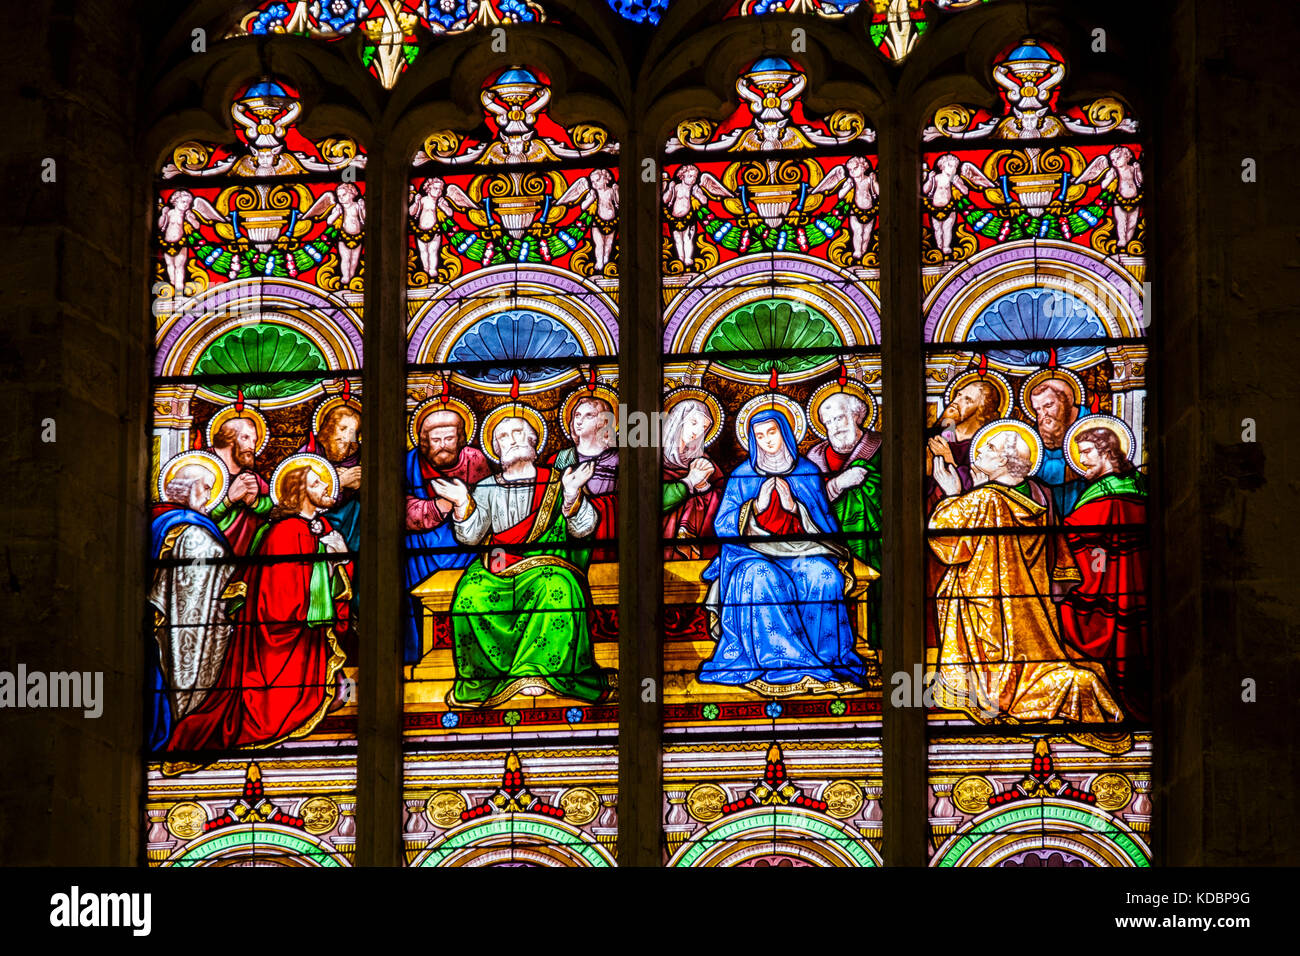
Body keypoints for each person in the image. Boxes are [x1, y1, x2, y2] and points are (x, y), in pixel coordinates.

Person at [164, 455, 351, 768]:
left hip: (302, 638)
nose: (326, 487)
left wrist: (330, 557)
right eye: (316, 482)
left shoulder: (310, 530)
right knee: (265, 709)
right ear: (298, 492)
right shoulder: (287, 532)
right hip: (279, 644)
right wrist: (329, 558)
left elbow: (316, 584)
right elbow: (281, 603)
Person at [929, 423, 1123, 723]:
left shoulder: (987, 499)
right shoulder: (1039, 497)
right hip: (1032, 611)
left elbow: (944, 537)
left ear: (1005, 461)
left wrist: (954, 494)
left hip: (988, 610)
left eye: (990, 447)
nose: (978, 449)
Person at [432, 413, 612, 708]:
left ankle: (538, 672)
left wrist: (571, 496)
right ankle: (486, 678)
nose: (512, 439)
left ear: (533, 441)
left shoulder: (557, 482)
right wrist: (463, 503)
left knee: (558, 587)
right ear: (495, 450)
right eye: (503, 436)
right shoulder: (486, 487)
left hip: (548, 566)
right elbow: (472, 537)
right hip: (498, 568)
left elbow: (584, 528)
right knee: (469, 595)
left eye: (518, 432)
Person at [699, 405, 869, 696]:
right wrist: (755, 508)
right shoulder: (741, 474)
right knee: (762, 577)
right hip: (752, 555)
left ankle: (825, 661)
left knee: (825, 576)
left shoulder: (807, 472)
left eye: (772, 432)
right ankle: (781, 663)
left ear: (786, 433)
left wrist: (796, 508)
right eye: (759, 435)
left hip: (804, 550)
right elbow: (723, 525)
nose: (766, 440)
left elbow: (826, 525)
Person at [1058, 420, 1150, 719]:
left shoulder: (1104, 498)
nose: (1081, 460)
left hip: (1109, 589)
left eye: (1086, 452)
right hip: (1142, 591)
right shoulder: (1143, 487)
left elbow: (1073, 535)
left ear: (1107, 452)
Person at [148, 453, 236, 751]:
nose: (210, 496)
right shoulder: (192, 533)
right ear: (188, 487)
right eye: (207, 487)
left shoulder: (158, 522)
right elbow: (195, 595)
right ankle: (185, 713)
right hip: (187, 632)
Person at [403, 402, 491, 664]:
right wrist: (440, 505)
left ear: (461, 438)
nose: (443, 444)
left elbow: (488, 505)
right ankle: (418, 655)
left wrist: (464, 505)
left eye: (449, 438)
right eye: (436, 438)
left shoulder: (475, 460)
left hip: (468, 546)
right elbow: (397, 508)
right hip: (419, 548)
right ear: (424, 441)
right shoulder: (408, 464)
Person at [807, 389, 884, 648]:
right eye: (827, 423)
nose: (835, 428)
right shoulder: (813, 459)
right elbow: (807, 504)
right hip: (826, 546)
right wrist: (838, 485)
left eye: (839, 418)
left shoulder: (883, 448)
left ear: (857, 416)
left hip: (877, 548)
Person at [548, 392, 618, 563]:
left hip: (611, 531)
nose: (579, 420)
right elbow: (548, 506)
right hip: (569, 539)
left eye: (589, 416)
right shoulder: (560, 459)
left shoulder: (618, 459)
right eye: (577, 415)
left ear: (604, 422)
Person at [660, 396, 722, 561]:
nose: (698, 431)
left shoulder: (705, 461)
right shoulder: (653, 460)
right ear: (677, 421)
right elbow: (647, 501)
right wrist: (689, 482)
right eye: (693, 422)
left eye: (704, 427)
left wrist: (703, 487)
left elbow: (724, 501)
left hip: (698, 550)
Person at [206, 411, 272, 556]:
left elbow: (278, 508)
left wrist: (255, 503)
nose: (251, 446)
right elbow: (192, 516)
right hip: (207, 554)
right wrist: (228, 501)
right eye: (245, 438)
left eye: (254, 441)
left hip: (247, 556)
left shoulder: (251, 477)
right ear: (229, 438)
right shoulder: (202, 469)